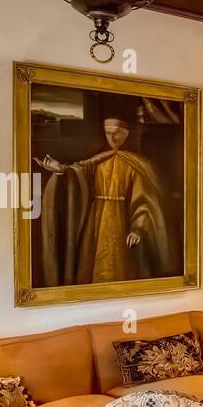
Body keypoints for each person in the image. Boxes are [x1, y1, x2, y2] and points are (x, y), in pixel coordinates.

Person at [39, 117, 171, 285]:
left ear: (125, 135)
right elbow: (78, 175)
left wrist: (138, 228)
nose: (112, 138)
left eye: (116, 134)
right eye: (108, 133)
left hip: (120, 221)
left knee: (120, 266)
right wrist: (61, 171)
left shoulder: (135, 165)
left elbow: (143, 200)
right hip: (95, 221)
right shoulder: (98, 161)